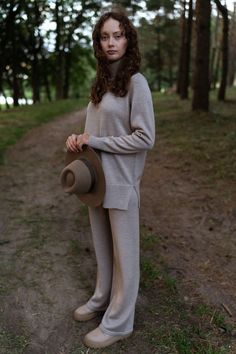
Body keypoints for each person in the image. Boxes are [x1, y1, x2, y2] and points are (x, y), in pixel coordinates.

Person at [66, 11, 155, 349]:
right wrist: (78, 140)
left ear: (128, 39)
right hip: (97, 183)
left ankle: (120, 321)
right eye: (105, 37)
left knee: (124, 254)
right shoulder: (100, 86)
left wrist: (98, 142)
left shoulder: (137, 83)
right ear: (99, 43)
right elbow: (92, 134)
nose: (111, 42)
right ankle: (103, 297)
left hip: (121, 183)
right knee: (103, 249)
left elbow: (145, 138)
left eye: (117, 35)